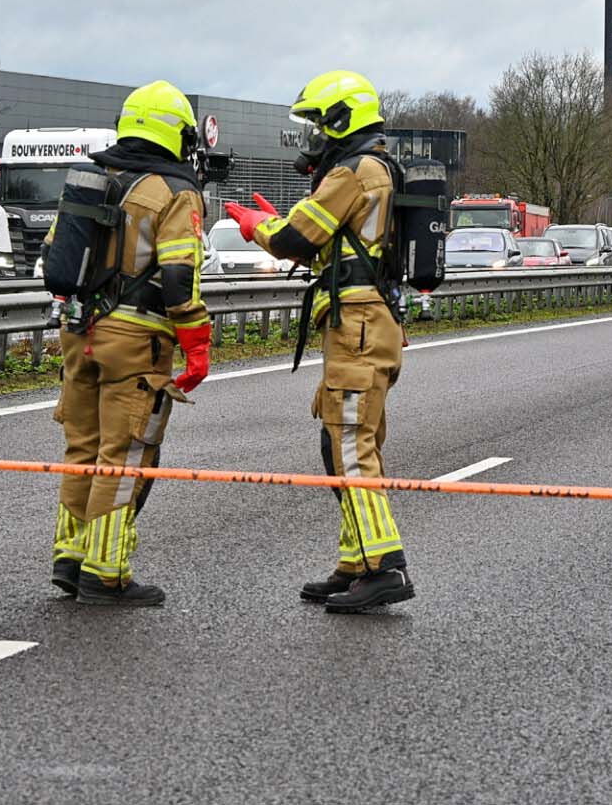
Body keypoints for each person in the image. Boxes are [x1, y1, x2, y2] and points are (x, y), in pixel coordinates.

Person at [227, 70, 413, 613]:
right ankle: (355, 565)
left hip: (358, 324)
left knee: (351, 447)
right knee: (343, 444)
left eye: (316, 127)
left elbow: (293, 239)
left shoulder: (356, 172)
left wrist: (257, 224)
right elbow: (324, 247)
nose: (311, 140)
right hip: (363, 322)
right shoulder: (373, 168)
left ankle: (385, 568)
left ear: (341, 121)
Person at [49, 80, 211, 607]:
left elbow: (55, 254)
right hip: (137, 341)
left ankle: (70, 558)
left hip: (79, 335)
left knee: (83, 448)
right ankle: (107, 571)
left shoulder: (90, 180)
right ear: (175, 133)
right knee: (127, 452)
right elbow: (178, 277)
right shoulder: (175, 192)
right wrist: (197, 340)